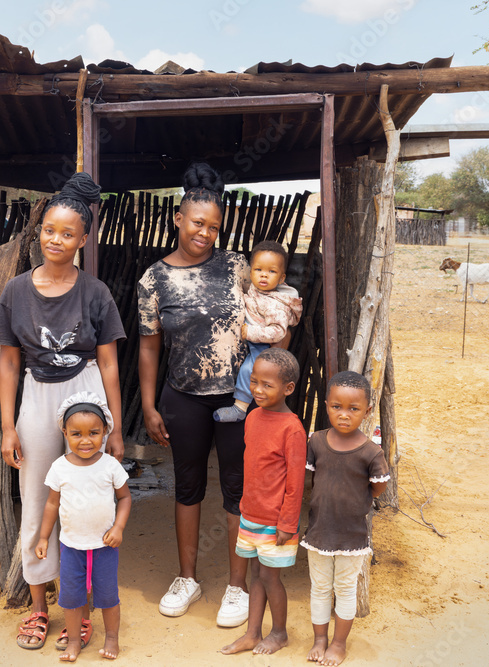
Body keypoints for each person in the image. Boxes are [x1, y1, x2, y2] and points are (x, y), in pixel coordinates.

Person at [0, 172, 126, 652]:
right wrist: (9, 426)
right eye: (50, 230)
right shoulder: (16, 292)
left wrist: (116, 426)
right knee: (36, 501)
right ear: (39, 230)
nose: (56, 240)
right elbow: (8, 361)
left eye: (68, 233)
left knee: (90, 499)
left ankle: (79, 608)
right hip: (37, 397)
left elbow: (108, 361)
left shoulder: (95, 292)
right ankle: (39, 607)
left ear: (83, 240)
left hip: (87, 392)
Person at [137, 162, 254, 627]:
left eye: (213, 226)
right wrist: (148, 404)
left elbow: (263, 319)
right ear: (178, 219)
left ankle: (237, 585)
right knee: (187, 488)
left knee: (236, 491)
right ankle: (188, 578)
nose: (205, 232)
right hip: (183, 397)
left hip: (237, 400)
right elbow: (149, 346)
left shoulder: (236, 266)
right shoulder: (154, 280)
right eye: (197, 222)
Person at [219, 347, 307, 656]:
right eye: (254, 381)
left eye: (267, 385)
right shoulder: (253, 417)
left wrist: (287, 522)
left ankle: (279, 632)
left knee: (270, 577)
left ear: (288, 389)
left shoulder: (292, 428)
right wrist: (245, 507)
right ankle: (252, 633)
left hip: (275, 520)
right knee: (256, 574)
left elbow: (296, 483)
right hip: (250, 514)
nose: (257, 389)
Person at [301, 371, 390, 666]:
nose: (343, 415)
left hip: (352, 536)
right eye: (336, 407)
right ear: (326, 406)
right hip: (319, 532)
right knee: (320, 588)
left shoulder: (371, 452)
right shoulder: (316, 442)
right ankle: (320, 640)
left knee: (345, 589)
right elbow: (312, 477)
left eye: (353, 409)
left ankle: (339, 644)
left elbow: (378, 489)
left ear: (367, 411)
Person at [36, 392, 132, 662]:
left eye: (94, 432)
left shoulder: (110, 466)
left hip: (105, 545)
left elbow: (124, 498)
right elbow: (51, 505)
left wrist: (119, 527)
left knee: (108, 597)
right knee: (72, 598)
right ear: (64, 432)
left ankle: (112, 638)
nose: (86, 440)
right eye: (76, 434)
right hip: (71, 546)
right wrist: (44, 538)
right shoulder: (59, 468)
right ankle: (75, 641)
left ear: (105, 432)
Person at [213, 241, 302, 422]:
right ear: (250, 271)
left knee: (249, 370)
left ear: (282, 278)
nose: (263, 275)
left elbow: (278, 333)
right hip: (252, 339)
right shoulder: (256, 288)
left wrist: (249, 333)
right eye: (258, 270)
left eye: (272, 271)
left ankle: (240, 408)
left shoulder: (277, 304)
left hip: (262, 344)